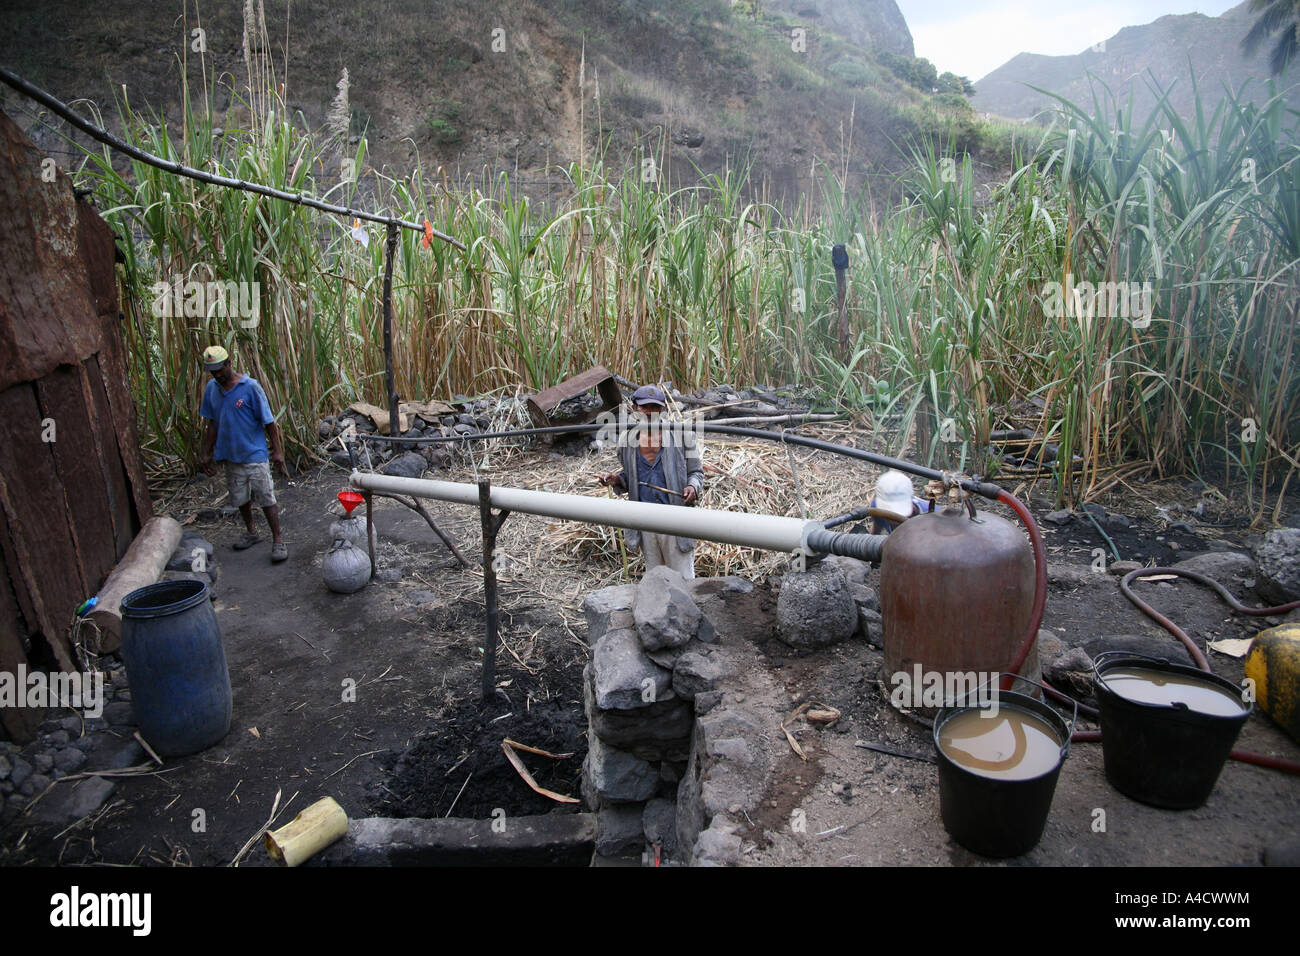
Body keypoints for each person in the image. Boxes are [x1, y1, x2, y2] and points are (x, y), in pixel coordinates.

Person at [597, 384, 704, 578]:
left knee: (684, 579)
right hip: (646, 522)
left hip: (676, 521)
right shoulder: (627, 442)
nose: (649, 412)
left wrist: (692, 487)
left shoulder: (682, 435)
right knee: (655, 580)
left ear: (664, 408)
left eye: (655, 407)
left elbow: (696, 472)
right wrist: (618, 480)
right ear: (635, 408)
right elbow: (632, 477)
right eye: (644, 407)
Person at [198, 346, 289, 562]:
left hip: (254, 453)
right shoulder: (212, 389)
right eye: (213, 372)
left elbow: (268, 422)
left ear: (229, 363)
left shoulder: (250, 387)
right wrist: (206, 453)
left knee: (266, 496)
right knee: (241, 498)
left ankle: (278, 540)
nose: (217, 375)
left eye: (220, 370)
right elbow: (212, 423)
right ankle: (251, 532)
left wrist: (277, 451)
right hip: (231, 455)